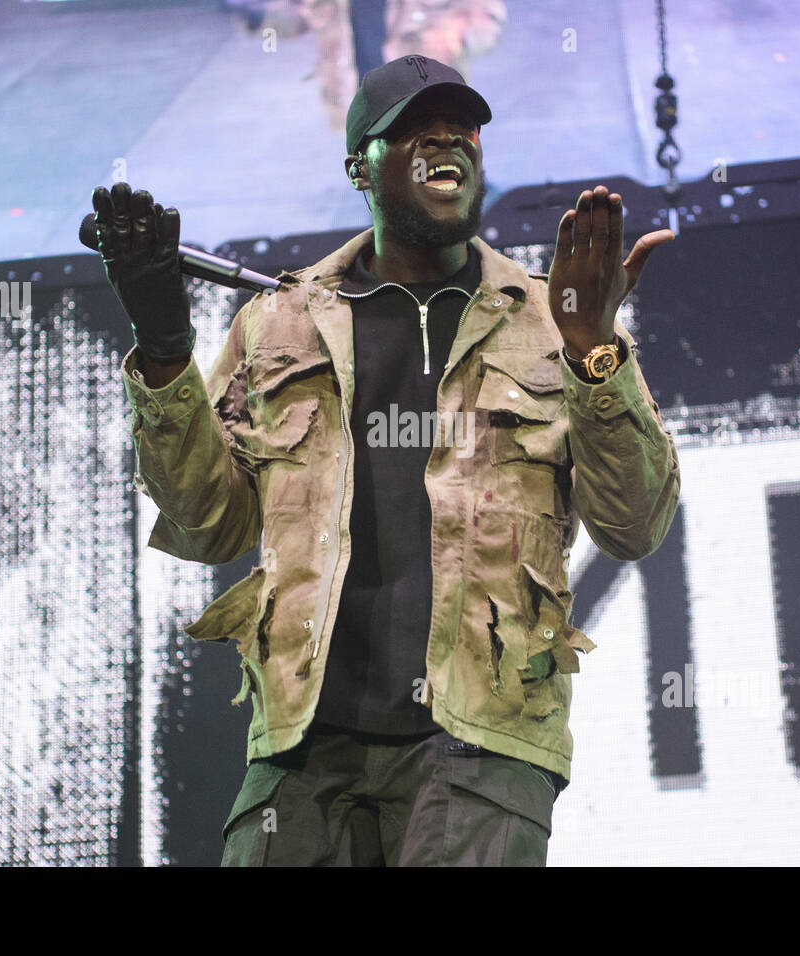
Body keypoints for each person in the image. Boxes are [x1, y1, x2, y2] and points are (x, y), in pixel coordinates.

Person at [91, 53, 680, 866]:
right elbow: (208, 523)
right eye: (410, 128)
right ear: (357, 167)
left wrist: (592, 351)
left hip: (482, 746)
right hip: (301, 749)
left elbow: (636, 525)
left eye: (462, 127)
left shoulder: (556, 322)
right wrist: (163, 353)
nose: (446, 138)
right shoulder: (278, 324)